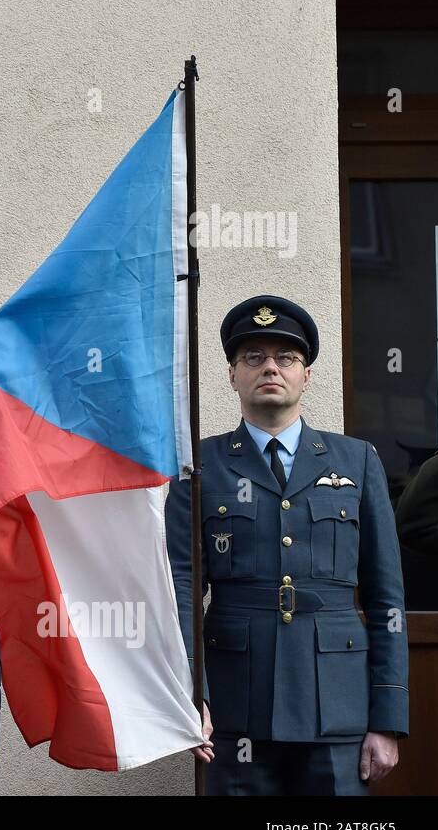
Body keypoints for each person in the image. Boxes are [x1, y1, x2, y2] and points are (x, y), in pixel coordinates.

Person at [166, 296, 409, 795]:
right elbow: (181, 590)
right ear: (232, 375)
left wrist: (387, 717)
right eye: (253, 358)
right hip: (235, 710)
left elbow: (386, 599)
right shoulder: (200, 466)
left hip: (338, 708)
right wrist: (192, 695)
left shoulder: (357, 460)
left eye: (287, 358)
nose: (270, 368)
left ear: (307, 375)